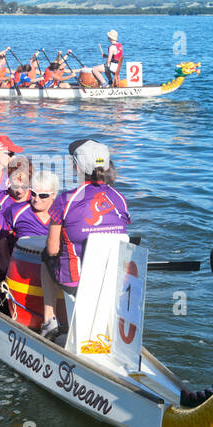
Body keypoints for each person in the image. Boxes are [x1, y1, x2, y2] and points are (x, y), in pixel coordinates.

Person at [41, 140, 130, 337]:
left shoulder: (65, 199)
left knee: (45, 256)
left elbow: (53, 249)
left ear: (76, 167)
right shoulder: (120, 199)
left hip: (77, 280)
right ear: (107, 166)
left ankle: (49, 320)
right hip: (112, 281)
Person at [5, 169, 59, 239]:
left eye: (43, 195)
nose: (36, 199)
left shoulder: (64, 214)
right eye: (33, 193)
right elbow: (3, 238)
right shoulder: (15, 211)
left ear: (54, 195)